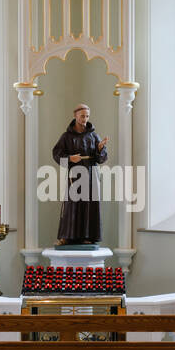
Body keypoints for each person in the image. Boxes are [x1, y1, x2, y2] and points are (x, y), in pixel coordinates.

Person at [51, 103, 108, 245]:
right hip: (75, 176)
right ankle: (67, 236)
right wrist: (70, 158)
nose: (85, 119)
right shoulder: (66, 136)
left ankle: (88, 236)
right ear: (75, 116)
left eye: (87, 116)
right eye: (82, 116)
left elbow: (101, 158)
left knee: (89, 205)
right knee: (72, 205)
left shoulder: (93, 135)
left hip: (90, 174)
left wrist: (100, 149)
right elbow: (57, 153)